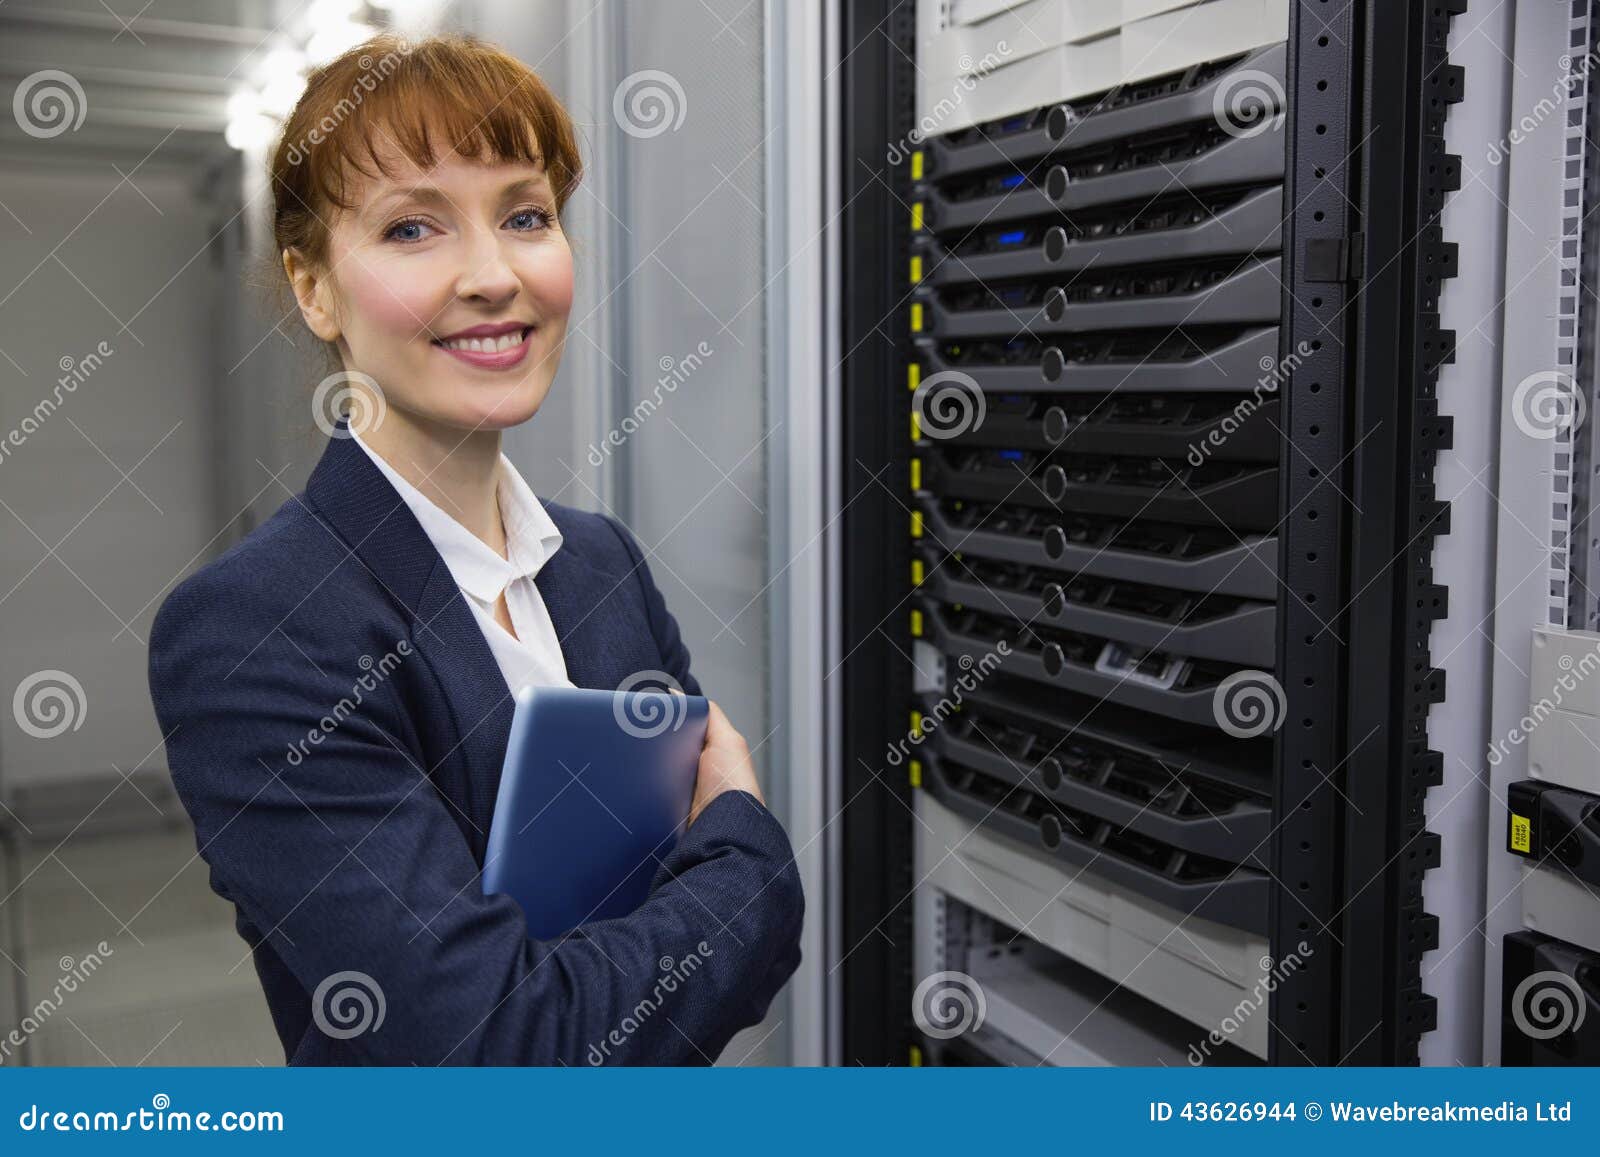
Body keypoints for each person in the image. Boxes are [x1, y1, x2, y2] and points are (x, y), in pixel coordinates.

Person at [146, 32, 803, 1066]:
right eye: (414, 227)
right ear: (314, 288)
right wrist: (753, 861)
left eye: (526, 215)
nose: (495, 275)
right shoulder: (256, 629)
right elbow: (495, 1052)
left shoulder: (598, 565)